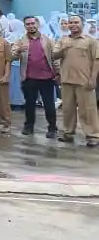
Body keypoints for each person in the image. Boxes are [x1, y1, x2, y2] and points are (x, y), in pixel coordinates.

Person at [51, 14, 99, 147]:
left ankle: (92, 135)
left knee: (88, 110)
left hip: (84, 81)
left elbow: (96, 60)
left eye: (76, 22)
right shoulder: (62, 40)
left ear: (82, 24)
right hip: (66, 80)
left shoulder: (90, 41)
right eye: (70, 22)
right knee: (68, 109)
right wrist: (63, 48)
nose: (73, 25)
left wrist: (93, 78)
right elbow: (54, 55)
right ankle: (68, 133)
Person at [14, 15, 59, 138]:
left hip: (47, 78)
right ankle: (29, 126)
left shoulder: (47, 39)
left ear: (38, 24)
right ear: (25, 26)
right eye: (28, 24)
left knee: (49, 104)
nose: (31, 26)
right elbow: (12, 56)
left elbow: (55, 58)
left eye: (33, 23)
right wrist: (17, 51)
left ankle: (52, 128)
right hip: (29, 78)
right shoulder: (20, 40)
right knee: (29, 104)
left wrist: (58, 73)